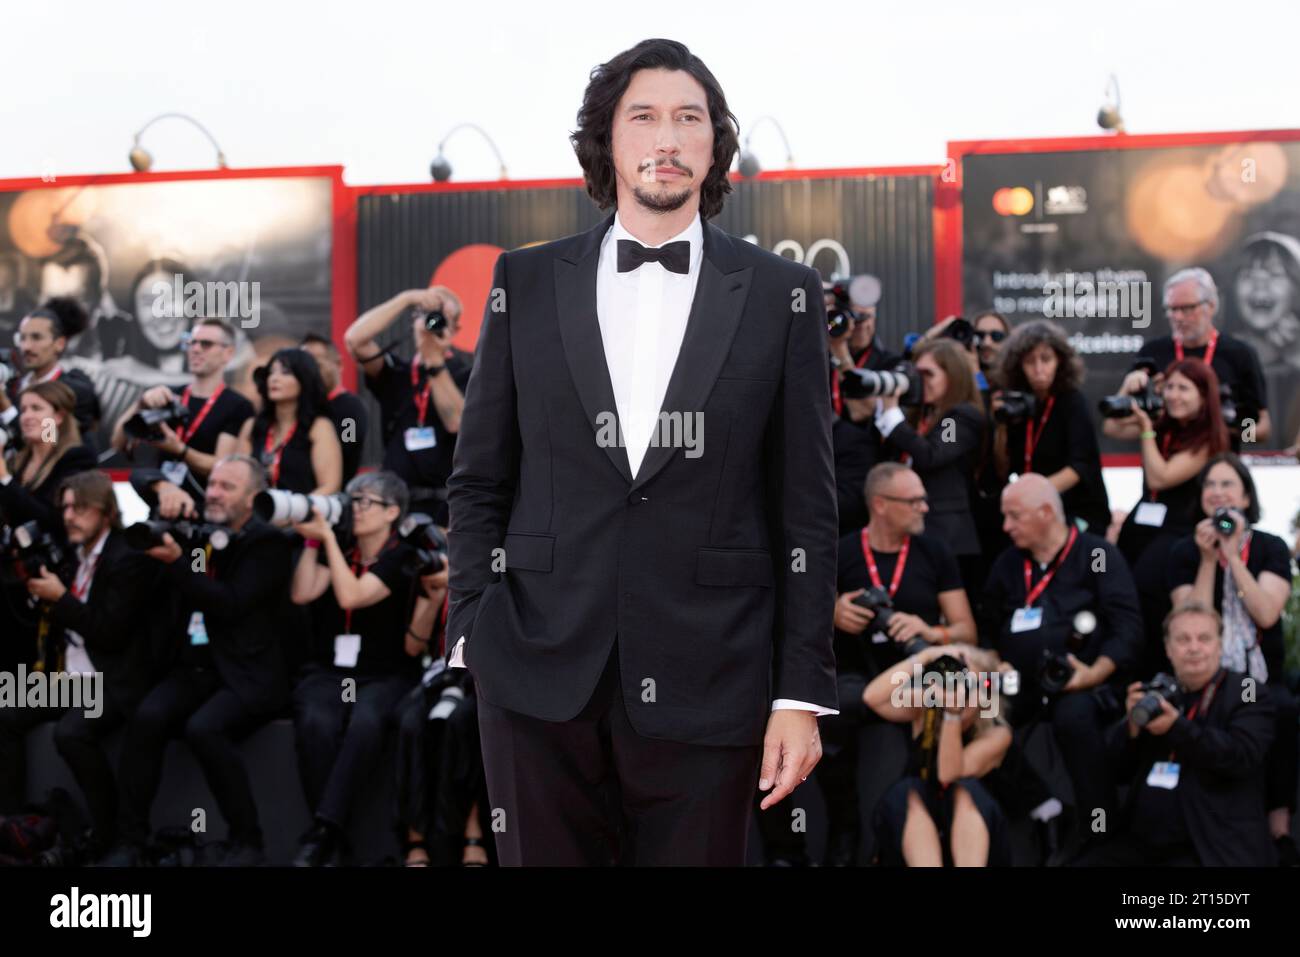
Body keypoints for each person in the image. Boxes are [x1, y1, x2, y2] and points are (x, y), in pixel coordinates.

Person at [446, 38, 837, 866]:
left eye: (689, 118)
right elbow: (480, 478)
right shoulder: (527, 280)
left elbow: (806, 509)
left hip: (714, 675)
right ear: (607, 141)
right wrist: (471, 628)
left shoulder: (782, 295)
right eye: (644, 117)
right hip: (535, 671)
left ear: (715, 143)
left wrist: (800, 691)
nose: (667, 138)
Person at [103, 455, 295, 866]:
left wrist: (176, 563)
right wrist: (162, 489)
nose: (213, 493)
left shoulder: (269, 543)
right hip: (194, 667)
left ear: (252, 498)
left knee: (204, 729)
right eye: (212, 484)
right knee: (147, 717)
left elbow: (230, 604)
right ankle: (130, 841)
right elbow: (140, 469)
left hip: (247, 671)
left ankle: (248, 841)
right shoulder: (201, 525)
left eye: (227, 487)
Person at [980, 473, 1143, 857]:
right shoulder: (1007, 564)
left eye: (1014, 516)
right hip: (1018, 685)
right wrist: (996, 662)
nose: (1006, 526)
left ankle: (1099, 827)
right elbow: (984, 627)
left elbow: (1129, 629)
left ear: (1047, 512)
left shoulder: (1097, 555)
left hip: (1086, 682)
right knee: (979, 711)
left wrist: (1094, 672)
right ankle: (1042, 807)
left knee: (1074, 716)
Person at [0, 471, 161, 857]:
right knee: (7, 708)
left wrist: (61, 599)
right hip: (73, 678)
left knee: (71, 733)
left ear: (105, 511)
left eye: (80, 507)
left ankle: (109, 833)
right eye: (65, 507)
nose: (69, 515)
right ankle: (15, 825)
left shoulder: (127, 557)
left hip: (115, 680)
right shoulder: (76, 556)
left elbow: (109, 633)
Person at [820, 461, 974, 865]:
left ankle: (915, 831)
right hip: (856, 674)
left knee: (956, 702)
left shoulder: (935, 550)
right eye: (914, 501)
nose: (925, 507)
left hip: (916, 676)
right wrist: (833, 612)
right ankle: (845, 831)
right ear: (881, 505)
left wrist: (930, 631)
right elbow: (801, 621)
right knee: (830, 711)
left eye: (924, 498)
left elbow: (966, 632)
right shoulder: (842, 550)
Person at [1166, 453, 1299, 864]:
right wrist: (1209, 561)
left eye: (1227, 485)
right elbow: (1190, 619)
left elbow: (1265, 612)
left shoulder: (1270, 547)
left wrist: (1234, 556)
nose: (1217, 493)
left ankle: (1278, 820)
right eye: (1210, 485)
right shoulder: (1184, 552)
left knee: (1284, 711)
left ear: (1245, 496)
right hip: (1203, 674)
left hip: (1257, 675)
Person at [1079, 601, 1277, 866]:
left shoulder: (1247, 691)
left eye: (1204, 638)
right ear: (1168, 649)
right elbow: (1113, 769)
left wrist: (1177, 727)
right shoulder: (1159, 692)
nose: (1194, 648)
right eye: (1183, 639)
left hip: (1210, 845)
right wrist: (1132, 727)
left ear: (1220, 644)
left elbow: (1239, 757)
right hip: (1139, 843)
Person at [288, 471, 421, 866]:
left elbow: (351, 596)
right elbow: (302, 592)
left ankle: (324, 831)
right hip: (331, 672)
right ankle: (333, 840)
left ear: (392, 512)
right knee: (315, 721)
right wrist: (315, 539)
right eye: (352, 501)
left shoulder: (403, 556)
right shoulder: (342, 547)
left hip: (386, 673)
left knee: (365, 722)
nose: (355, 510)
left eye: (366, 502)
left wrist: (327, 538)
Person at [1106, 358, 1230, 674]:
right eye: (1170, 387)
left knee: (1150, 594)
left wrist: (1148, 432)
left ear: (1204, 395)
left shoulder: (1208, 439)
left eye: (1183, 389)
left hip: (1177, 532)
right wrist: (1129, 391)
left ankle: (1158, 668)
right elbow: (1110, 425)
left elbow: (1161, 477)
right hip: (1141, 527)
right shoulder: (1163, 421)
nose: (1174, 395)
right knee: (1121, 591)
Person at [864, 643, 1014, 866]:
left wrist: (952, 717)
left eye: (969, 684)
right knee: (907, 792)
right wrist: (925, 656)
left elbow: (948, 774)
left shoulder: (997, 733)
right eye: (956, 682)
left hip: (973, 831)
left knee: (965, 791)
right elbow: (873, 697)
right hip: (918, 827)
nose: (960, 691)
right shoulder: (926, 705)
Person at [343, 286, 470, 526]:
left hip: (446, 506)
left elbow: (456, 422)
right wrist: (406, 299)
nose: (432, 320)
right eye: (425, 313)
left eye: (441, 316)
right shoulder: (398, 373)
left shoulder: (466, 374)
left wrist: (434, 361)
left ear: (454, 330)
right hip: (395, 504)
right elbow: (355, 340)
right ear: (414, 320)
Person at [874, 337, 986, 594]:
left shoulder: (962, 416)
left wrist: (892, 415)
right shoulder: (920, 414)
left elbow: (931, 455)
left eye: (929, 374)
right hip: (911, 531)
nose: (920, 380)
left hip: (949, 537)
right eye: (917, 373)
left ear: (953, 376)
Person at [114, 318, 254, 517]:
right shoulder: (169, 397)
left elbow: (221, 467)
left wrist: (179, 450)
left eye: (206, 344)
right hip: (159, 508)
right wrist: (140, 404)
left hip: (205, 512)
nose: (195, 349)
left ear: (228, 353)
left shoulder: (237, 406)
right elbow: (118, 442)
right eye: (191, 342)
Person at [1123, 267, 1270, 449]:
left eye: (1186, 308)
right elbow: (1115, 428)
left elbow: (1262, 428)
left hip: (1216, 468)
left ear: (1211, 306)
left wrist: (1226, 428)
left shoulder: (1239, 354)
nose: (1177, 317)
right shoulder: (1152, 353)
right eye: (1171, 309)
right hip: (1164, 466)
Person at [990, 320, 1109, 533]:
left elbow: (1079, 466)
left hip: (1076, 508)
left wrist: (1033, 494)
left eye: (1046, 359)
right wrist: (998, 424)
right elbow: (1003, 465)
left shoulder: (1072, 401)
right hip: (1029, 509)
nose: (1038, 369)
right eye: (1029, 361)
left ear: (1060, 362)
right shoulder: (1017, 403)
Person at [236, 348, 342, 495]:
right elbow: (238, 478)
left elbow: (330, 486)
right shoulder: (252, 426)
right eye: (271, 372)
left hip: (301, 513)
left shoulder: (319, 427)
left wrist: (296, 510)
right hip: (255, 513)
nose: (274, 378)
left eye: (285, 373)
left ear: (304, 379)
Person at [0, 298, 101, 442]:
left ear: (59, 343)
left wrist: (6, 408)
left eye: (36, 337)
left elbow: (48, 443)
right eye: (22, 338)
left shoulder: (73, 393)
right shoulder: (12, 387)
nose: (26, 346)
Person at [301, 333, 369, 484]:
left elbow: (348, 447)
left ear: (338, 364)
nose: (309, 372)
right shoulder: (302, 406)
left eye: (316, 364)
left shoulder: (350, 409)